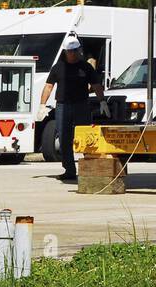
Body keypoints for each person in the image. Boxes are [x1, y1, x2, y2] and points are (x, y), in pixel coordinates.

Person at [38, 36, 107, 183]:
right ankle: (69, 170)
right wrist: (42, 105)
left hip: (81, 105)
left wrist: (102, 102)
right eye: (70, 51)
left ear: (79, 50)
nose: (73, 53)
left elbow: (96, 85)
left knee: (87, 137)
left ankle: (90, 168)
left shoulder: (86, 67)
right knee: (64, 138)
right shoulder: (58, 67)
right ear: (65, 51)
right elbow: (48, 86)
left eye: (75, 50)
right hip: (63, 105)